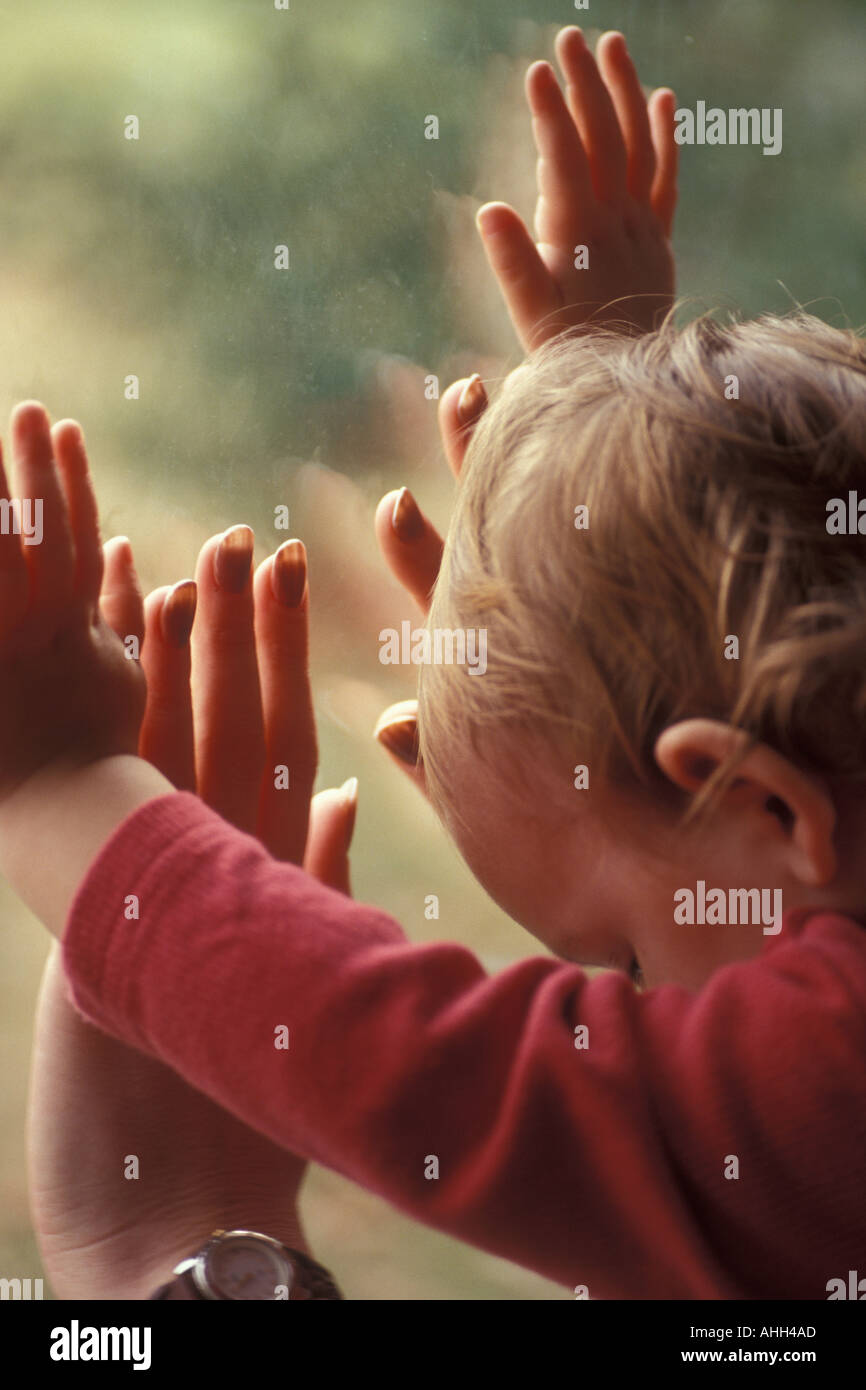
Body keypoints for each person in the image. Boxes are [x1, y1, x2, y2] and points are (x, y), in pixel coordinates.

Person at [5, 27, 864, 1301]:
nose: (612, 1017)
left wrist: (59, 781)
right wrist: (610, 431)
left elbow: (421, 1069)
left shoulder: (825, 1083)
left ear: (759, 804)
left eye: (620, 960)